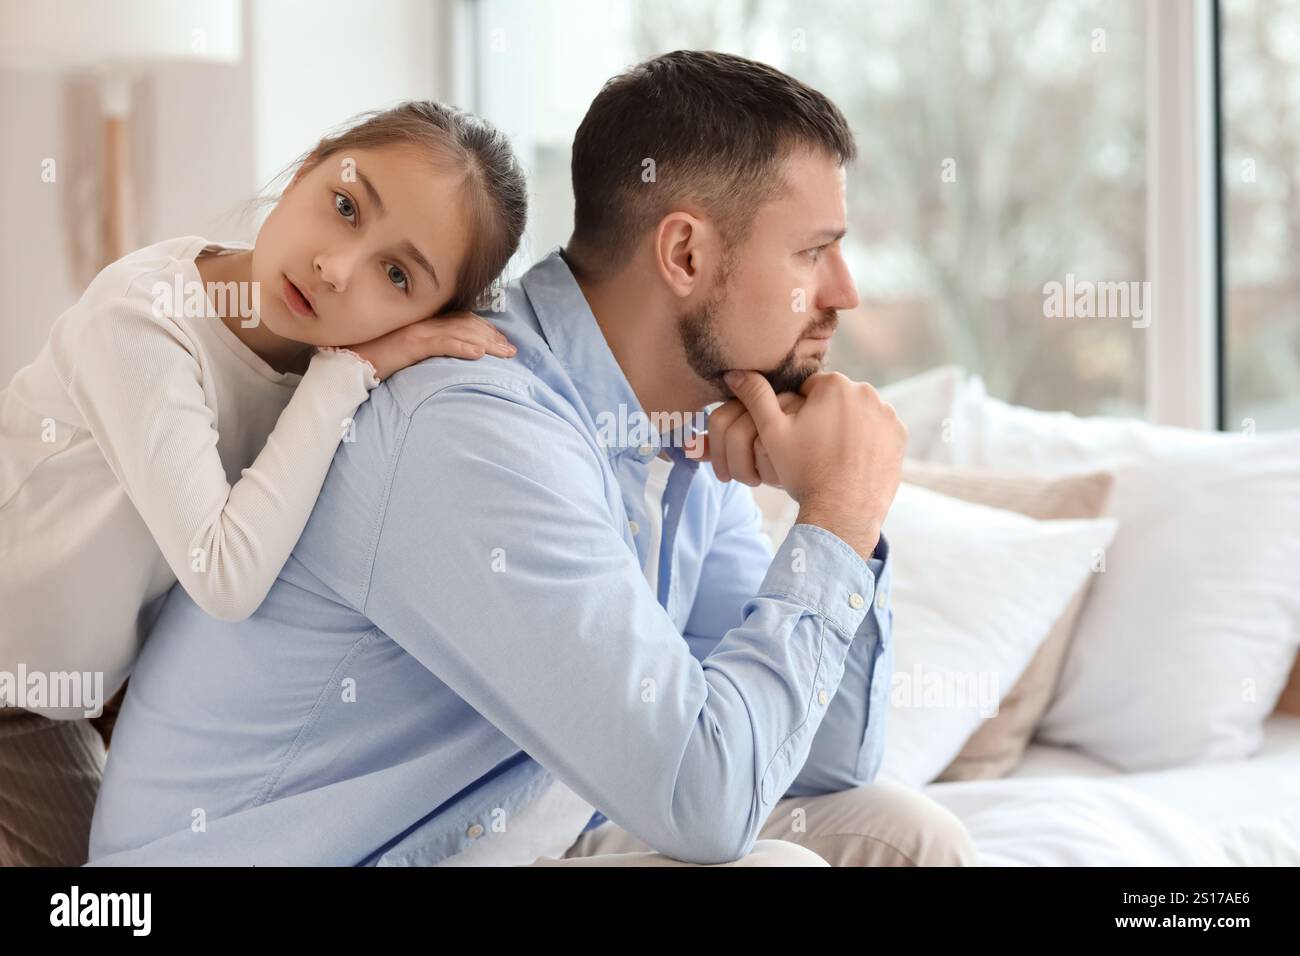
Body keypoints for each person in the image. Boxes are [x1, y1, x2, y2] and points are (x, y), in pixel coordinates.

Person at [88, 52, 978, 867]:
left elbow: (827, 760)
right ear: (685, 253)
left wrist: (841, 527)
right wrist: (839, 514)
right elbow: (705, 801)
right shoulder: (475, 425)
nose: (845, 293)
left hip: (484, 848)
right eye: (814, 253)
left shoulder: (673, 437)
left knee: (903, 835)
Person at [0, 101, 528, 866]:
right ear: (308, 165)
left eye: (397, 273)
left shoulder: (322, 373)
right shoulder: (143, 319)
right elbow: (224, 575)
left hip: (59, 705)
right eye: (345, 206)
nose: (336, 268)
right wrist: (352, 368)